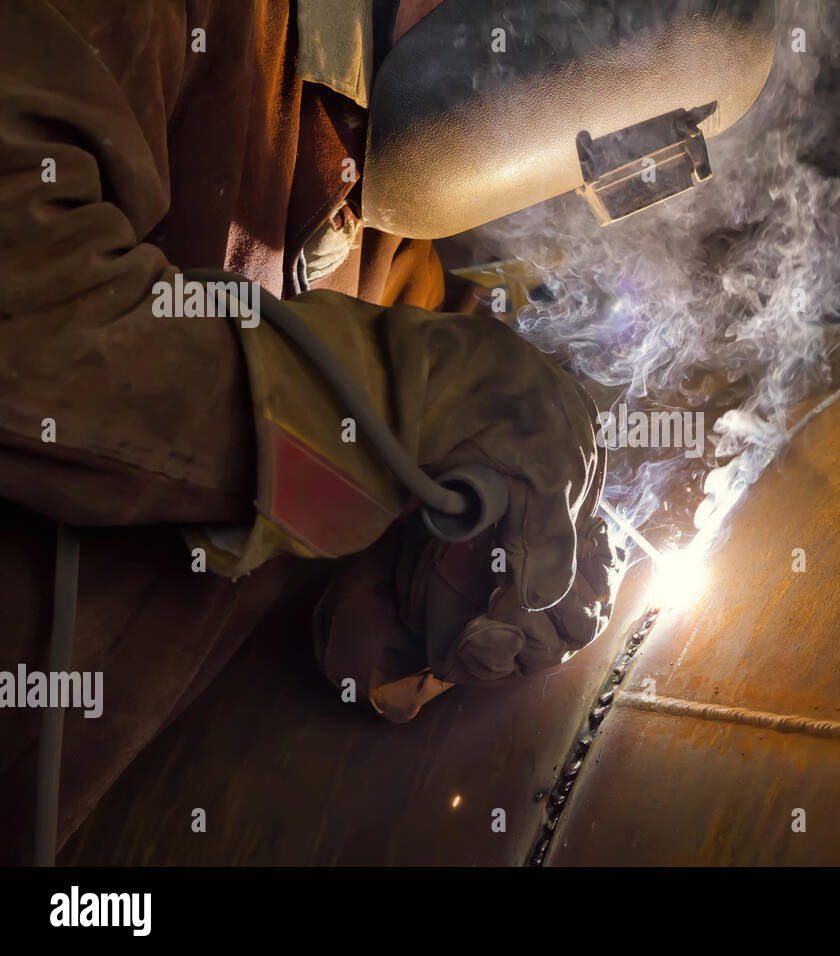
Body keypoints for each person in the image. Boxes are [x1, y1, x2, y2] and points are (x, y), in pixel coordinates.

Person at [0, 0, 621, 864]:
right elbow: (33, 323)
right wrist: (404, 405)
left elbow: (321, 532)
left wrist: (439, 581)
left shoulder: (385, 183)